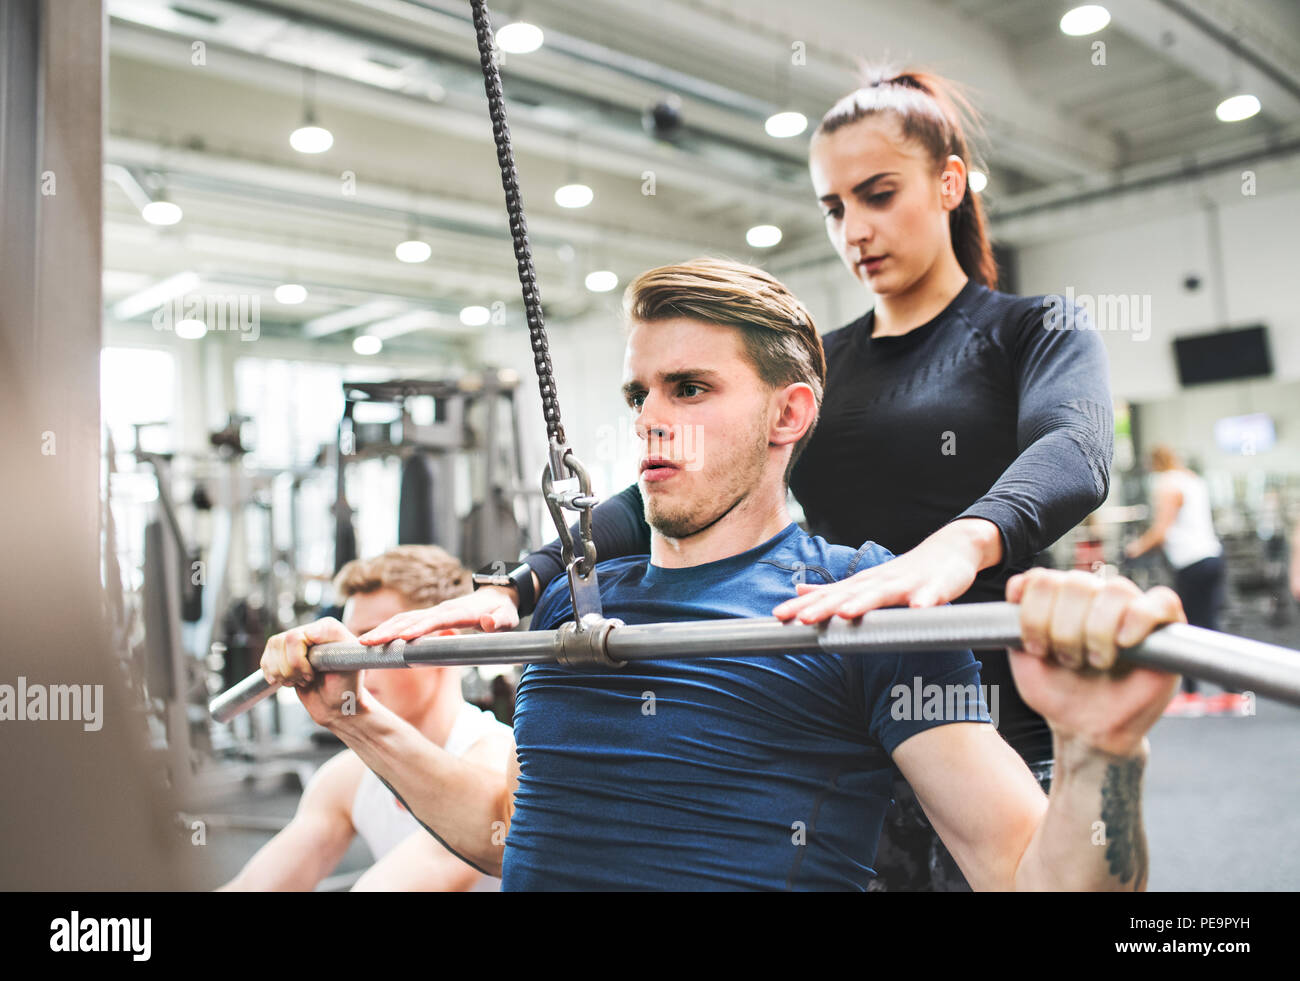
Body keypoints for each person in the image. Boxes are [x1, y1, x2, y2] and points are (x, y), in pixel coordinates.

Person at [366, 66, 1115, 891]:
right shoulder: (829, 363)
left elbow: (1075, 447)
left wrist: (962, 546)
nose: (854, 229)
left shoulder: (1029, 330)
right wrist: (521, 583)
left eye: (876, 194)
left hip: (970, 698)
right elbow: (655, 487)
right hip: (814, 674)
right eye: (833, 207)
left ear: (948, 182)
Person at [264, 258, 1183, 891]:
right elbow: (512, 824)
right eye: (641, 393)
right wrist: (352, 713)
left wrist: (1103, 749)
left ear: (788, 415)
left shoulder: (863, 609)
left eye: (691, 389)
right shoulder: (580, 603)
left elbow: (1023, 873)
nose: (652, 418)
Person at [221, 545, 513, 891]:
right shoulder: (350, 777)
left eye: (375, 644)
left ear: (443, 648)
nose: (354, 666)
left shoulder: (496, 762)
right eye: (348, 647)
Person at [1125, 447, 1243, 717]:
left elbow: (1161, 531)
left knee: (1186, 628)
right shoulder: (1191, 479)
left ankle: (1192, 695)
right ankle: (1230, 693)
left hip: (1192, 562)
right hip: (1211, 556)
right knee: (1208, 626)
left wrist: (1135, 549)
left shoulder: (1168, 485)